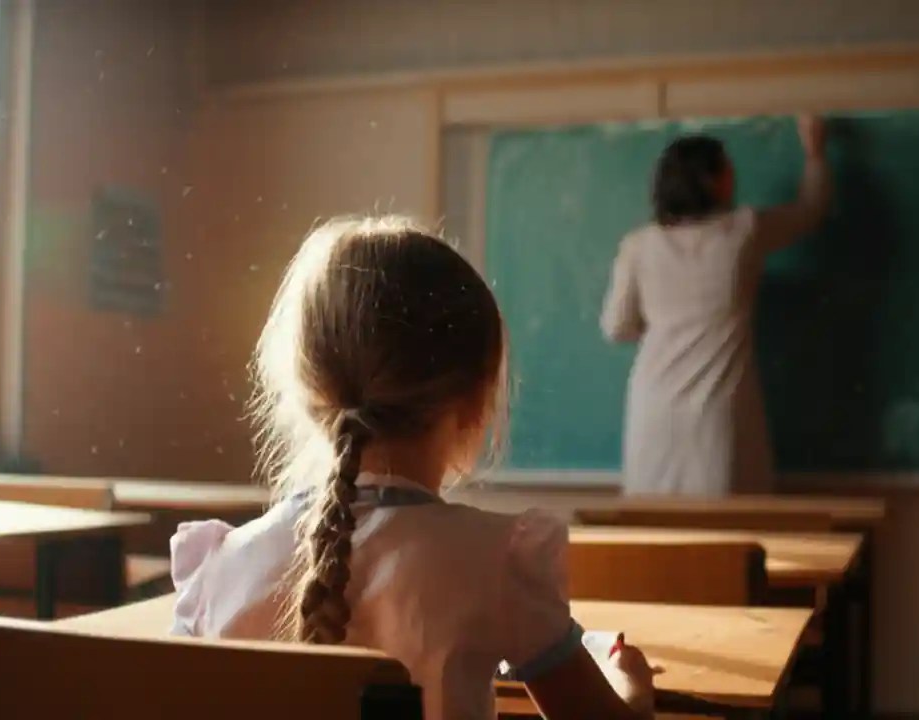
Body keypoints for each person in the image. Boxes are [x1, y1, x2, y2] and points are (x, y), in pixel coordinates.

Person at [169, 216, 656, 720]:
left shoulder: (219, 570)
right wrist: (632, 685)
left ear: (305, 390)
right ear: (476, 401)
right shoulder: (498, 561)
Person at [601, 117, 831, 496]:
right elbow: (811, 209)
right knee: (727, 534)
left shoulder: (639, 246)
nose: (733, 179)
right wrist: (815, 153)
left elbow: (616, 328)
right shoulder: (744, 232)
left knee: (652, 534)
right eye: (726, 170)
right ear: (710, 181)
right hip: (717, 416)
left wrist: (664, 319)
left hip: (655, 409)